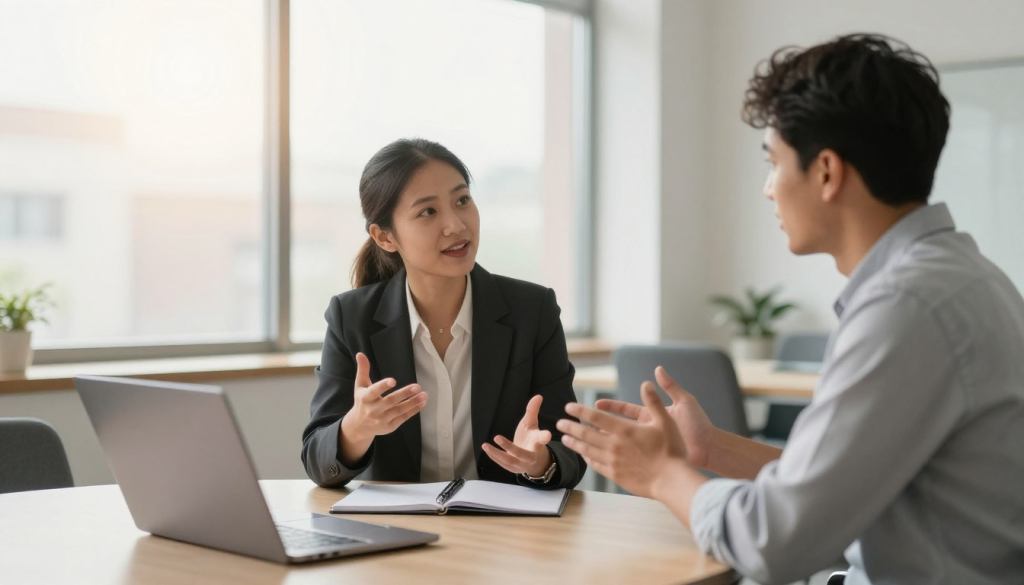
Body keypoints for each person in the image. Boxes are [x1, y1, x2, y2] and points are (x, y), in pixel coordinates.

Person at [557, 33, 1024, 584]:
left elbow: (774, 543)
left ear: (826, 172)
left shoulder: (907, 305)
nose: (768, 189)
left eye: (774, 162)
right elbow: (837, 486)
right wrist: (710, 449)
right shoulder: (958, 278)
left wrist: (660, 474)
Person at [302, 138, 585, 491]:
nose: (456, 224)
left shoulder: (532, 310)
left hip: (505, 533)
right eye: (428, 212)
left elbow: (569, 451)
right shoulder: (351, 317)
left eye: (462, 200)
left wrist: (540, 462)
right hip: (399, 533)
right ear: (385, 236)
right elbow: (317, 461)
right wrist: (357, 426)